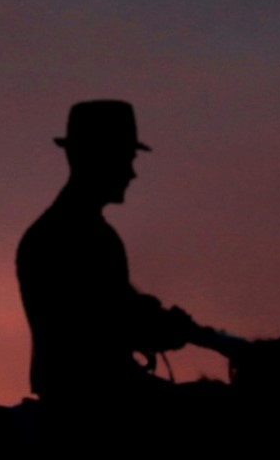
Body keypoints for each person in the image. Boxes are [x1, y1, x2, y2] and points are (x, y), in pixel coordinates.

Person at [16, 100, 203, 417]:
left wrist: (155, 319)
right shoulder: (80, 236)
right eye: (126, 159)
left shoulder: (66, 232)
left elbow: (115, 309)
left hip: (85, 391)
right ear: (98, 157)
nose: (132, 173)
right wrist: (160, 327)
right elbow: (100, 326)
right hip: (94, 399)